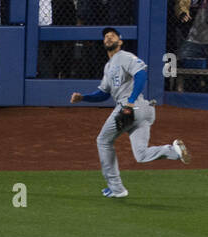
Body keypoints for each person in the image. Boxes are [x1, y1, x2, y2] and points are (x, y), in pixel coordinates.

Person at [69, 27, 189, 199]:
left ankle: (117, 188)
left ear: (120, 41)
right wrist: (84, 98)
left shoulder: (124, 56)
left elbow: (141, 75)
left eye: (113, 36)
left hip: (131, 106)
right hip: (142, 111)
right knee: (141, 155)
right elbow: (103, 94)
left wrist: (131, 101)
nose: (108, 38)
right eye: (106, 36)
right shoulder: (108, 66)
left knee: (103, 141)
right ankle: (174, 151)